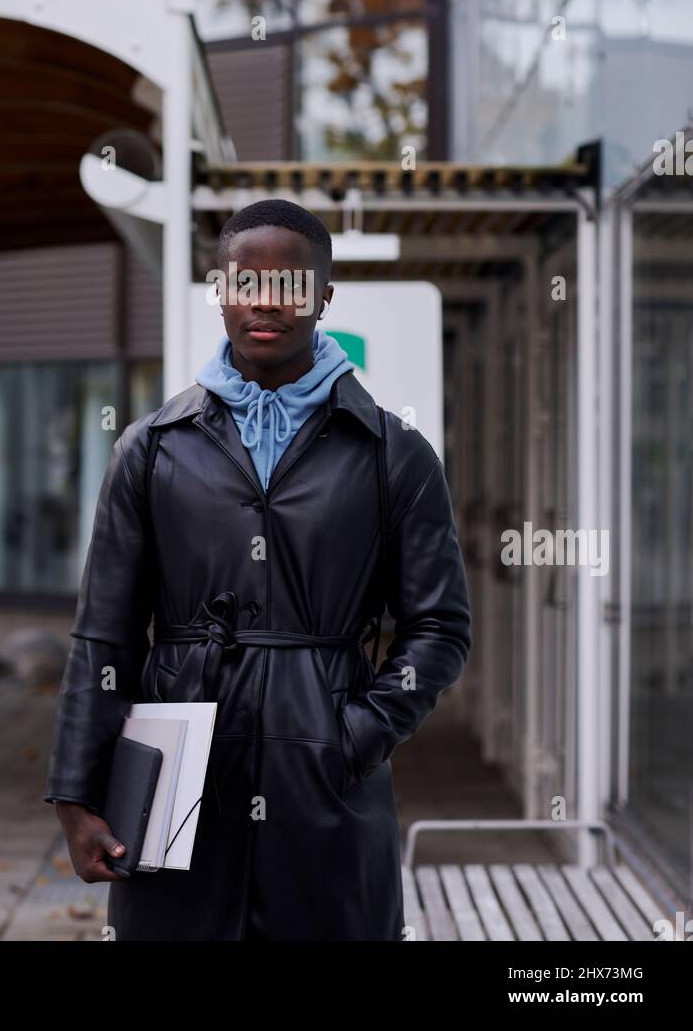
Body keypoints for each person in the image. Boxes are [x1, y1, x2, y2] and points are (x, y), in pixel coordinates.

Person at [44, 199, 472, 941]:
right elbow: (104, 635)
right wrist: (77, 792)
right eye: (245, 282)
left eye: (291, 284)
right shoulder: (151, 451)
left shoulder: (392, 455)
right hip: (174, 765)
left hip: (326, 772)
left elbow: (439, 627)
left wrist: (356, 733)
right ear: (220, 290)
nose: (265, 303)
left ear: (325, 297)